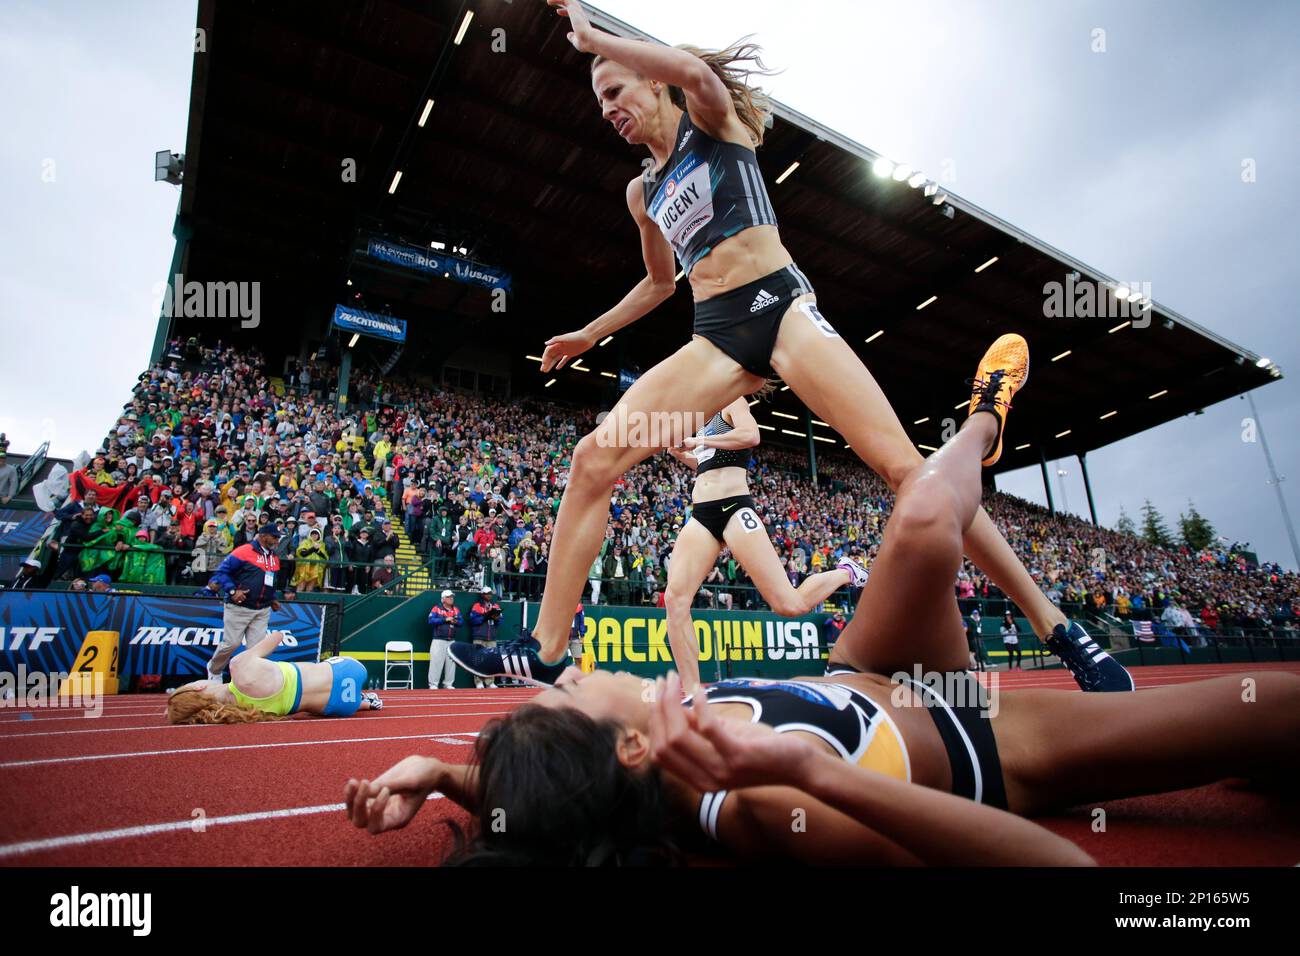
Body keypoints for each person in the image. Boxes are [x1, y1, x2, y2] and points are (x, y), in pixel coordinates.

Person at [346, 336, 1299, 865]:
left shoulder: (612, 774)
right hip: (991, 740)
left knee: (925, 514)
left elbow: (555, 797)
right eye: (564, 693)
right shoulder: (756, 807)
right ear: (629, 744)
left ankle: (985, 419)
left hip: (873, 668)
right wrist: (810, 778)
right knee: (1280, 711)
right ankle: (981, 424)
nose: (578, 670)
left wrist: (436, 767)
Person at [451, 1, 1128, 694]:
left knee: (909, 473)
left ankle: (1059, 628)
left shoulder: (714, 121)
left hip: (781, 311)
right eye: (599, 100)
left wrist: (595, 37)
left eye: (615, 90)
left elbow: (689, 67)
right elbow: (659, 283)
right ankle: (547, 647)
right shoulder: (642, 190)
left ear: (653, 83)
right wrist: (591, 333)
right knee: (592, 458)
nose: (606, 109)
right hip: (715, 336)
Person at [659, 394, 866, 692]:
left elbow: (751, 435)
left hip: (734, 508)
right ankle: (693, 694)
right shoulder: (702, 418)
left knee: (789, 605)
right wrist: (682, 454)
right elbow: (706, 464)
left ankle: (846, 571)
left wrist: (701, 442)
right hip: (702, 514)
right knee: (675, 600)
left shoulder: (731, 400)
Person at [167, 630, 381, 723]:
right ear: (199, 688)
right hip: (349, 670)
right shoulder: (239, 667)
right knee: (324, 668)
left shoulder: (242, 713)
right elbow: (277, 637)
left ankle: (364, 702)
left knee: (310, 711)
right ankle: (363, 698)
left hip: (342, 708)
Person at [204, 525, 283, 682]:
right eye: (274, 537)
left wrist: (272, 597)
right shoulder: (244, 551)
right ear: (263, 536)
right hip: (239, 607)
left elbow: (270, 581)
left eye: (277, 537)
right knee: (231, 644)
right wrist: (232, 591)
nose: (277, 540)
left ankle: (249, 680)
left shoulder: (274, 557)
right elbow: (221, 572)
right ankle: (214, 668)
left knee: (257, 649)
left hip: (262, 609)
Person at [427, 590, 463, 690]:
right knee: (436, 662)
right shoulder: (437, 608)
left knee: (451, 663)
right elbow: (431, 620)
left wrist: (455, 621)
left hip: (451, 640)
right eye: (448, 597)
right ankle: (433, 684)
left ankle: (448, 684)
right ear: (443, 599)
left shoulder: (455, 609)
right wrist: (445, 619)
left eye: (452, 597)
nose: (451, 598)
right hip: (439, 639)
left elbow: (461, 621)